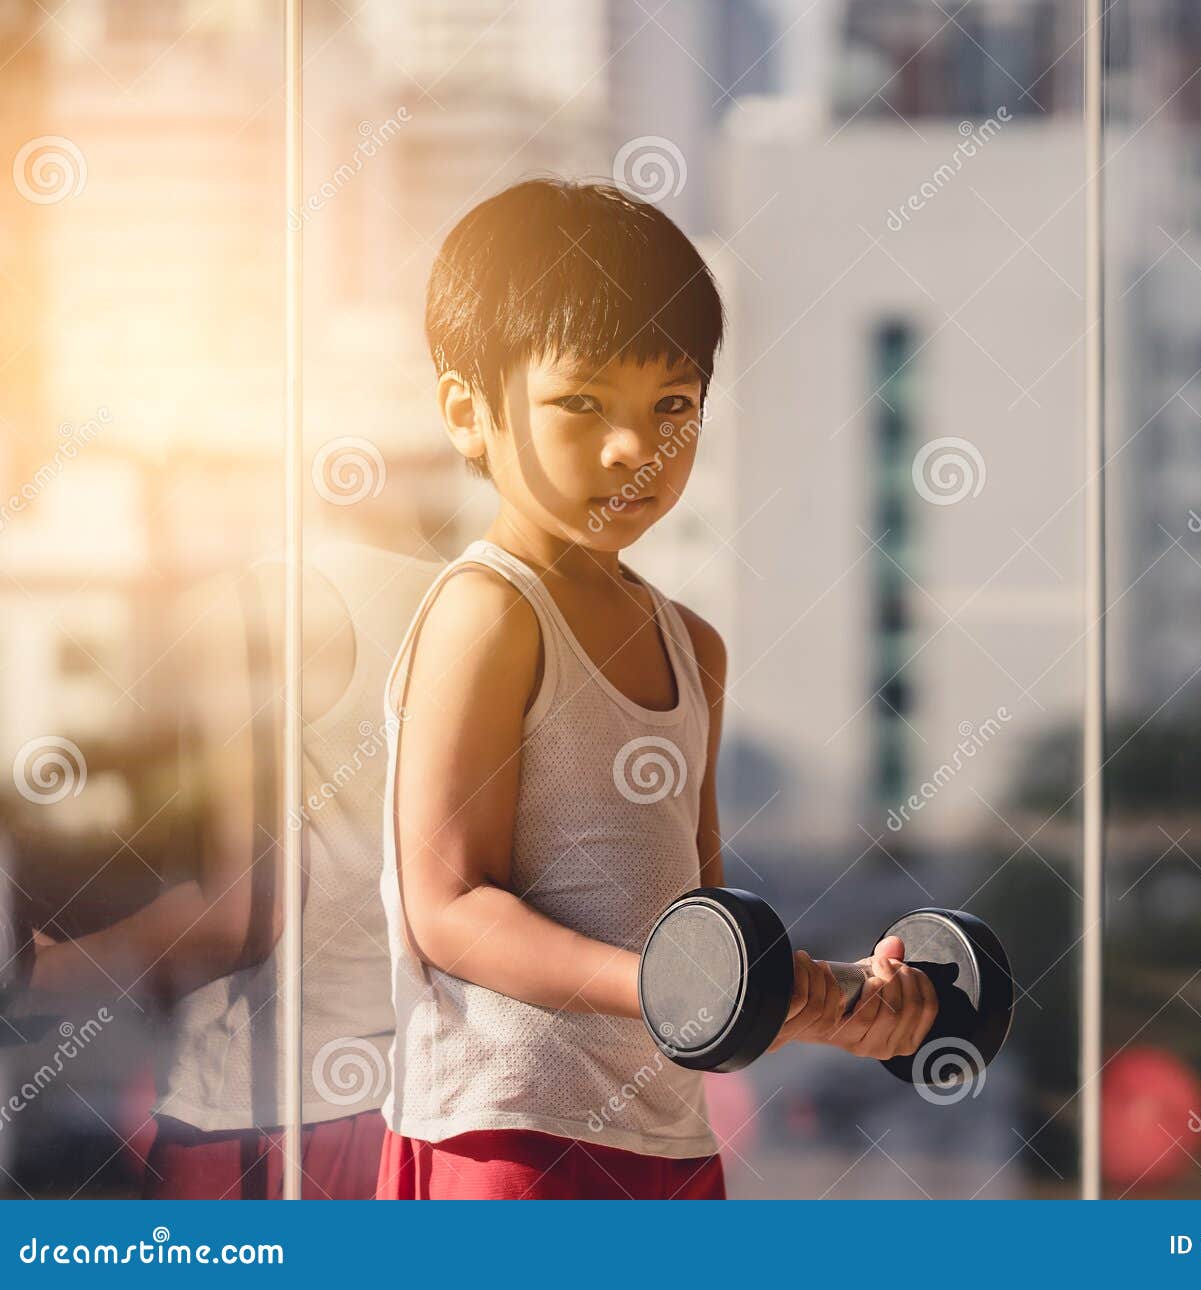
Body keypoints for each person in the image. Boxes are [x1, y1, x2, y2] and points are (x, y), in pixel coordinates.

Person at [374, 178, 940, 1201]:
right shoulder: (486, 611)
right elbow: (448, 907)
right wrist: (666, 983)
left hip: (669, 1143)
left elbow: (697, 936)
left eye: (671, 406)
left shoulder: (693, 649)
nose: (635, 446)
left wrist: (832, 1002)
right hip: (506, 1140)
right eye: (583, 403)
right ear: (468, 412)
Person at [16, 540, 441, 1199]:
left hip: (262, 1120)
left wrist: (37, 974)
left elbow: (241, 916)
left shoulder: (244, 601)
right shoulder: (462, 587)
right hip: (415, 1116)